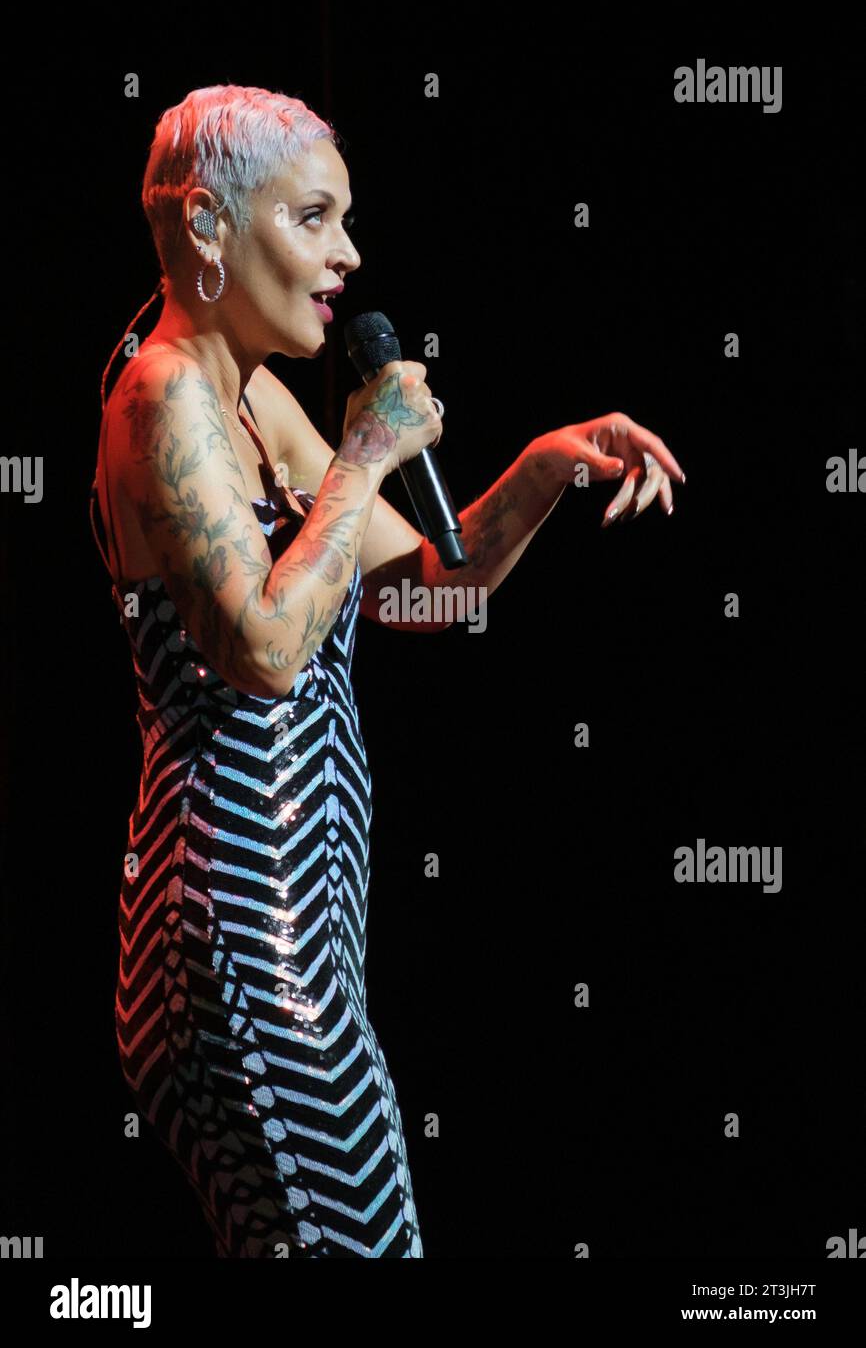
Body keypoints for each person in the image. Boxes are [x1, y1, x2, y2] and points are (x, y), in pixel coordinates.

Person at [91, 84, 685, 1259]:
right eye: (313, 218)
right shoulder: (163, 396)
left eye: (344, 220)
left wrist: (542, 470)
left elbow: (418, 590)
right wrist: (364, 450)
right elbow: (261, 649)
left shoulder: (248, 398)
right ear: (208, 224)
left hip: (295, 937)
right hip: (237, 938)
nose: (347, 254)